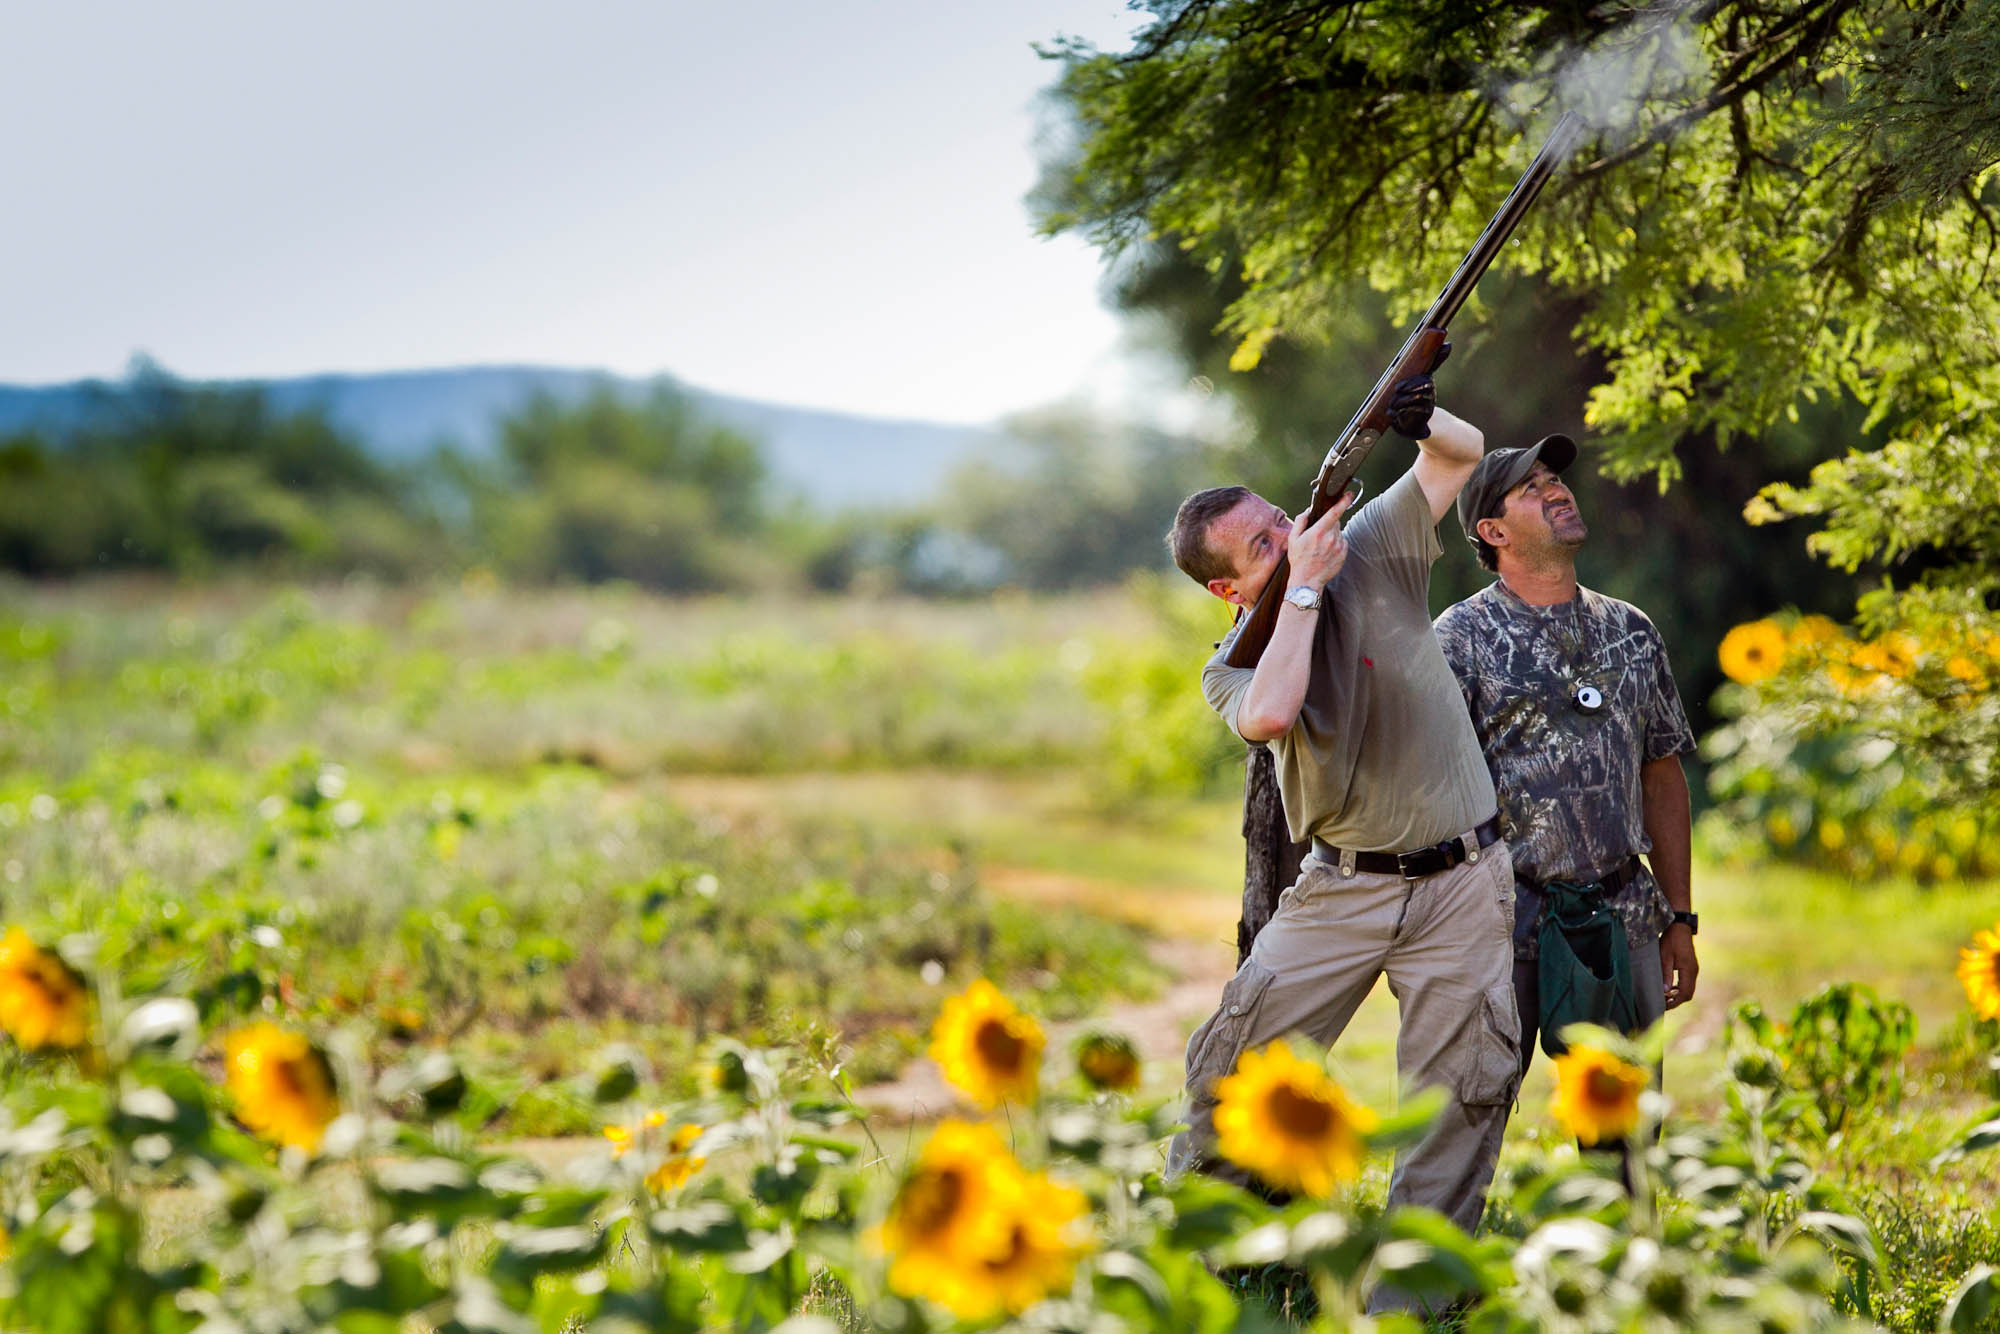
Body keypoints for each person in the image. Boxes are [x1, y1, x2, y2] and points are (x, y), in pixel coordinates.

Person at [1163, 373, 1521, 1239]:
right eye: (1260, 545)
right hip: (1342, 891)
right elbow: (1272, 713)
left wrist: (1419, 416)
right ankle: (1195, 1260)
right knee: (1233, 1066)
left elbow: (1462, 456)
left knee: (1460, 1096)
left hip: (1464, 883)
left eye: (1280, 519)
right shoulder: (1233, 664)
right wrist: (1305, 590)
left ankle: (1419, 1295)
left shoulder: (1368, 545)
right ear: (1228, 592)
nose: (1287, 538)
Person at [1431, 436, 1699, 1086]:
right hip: (1498, 922)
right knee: (1461, 1121)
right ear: (1492, 529)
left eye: (1556, 479)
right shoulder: (1459, 637)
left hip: (1622, 916)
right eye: (1533, 487)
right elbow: (1427, 797)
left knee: (1625, 1136)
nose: (1557, 489)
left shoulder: (1630, 630)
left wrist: (1681, 918)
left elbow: (1661, 775)